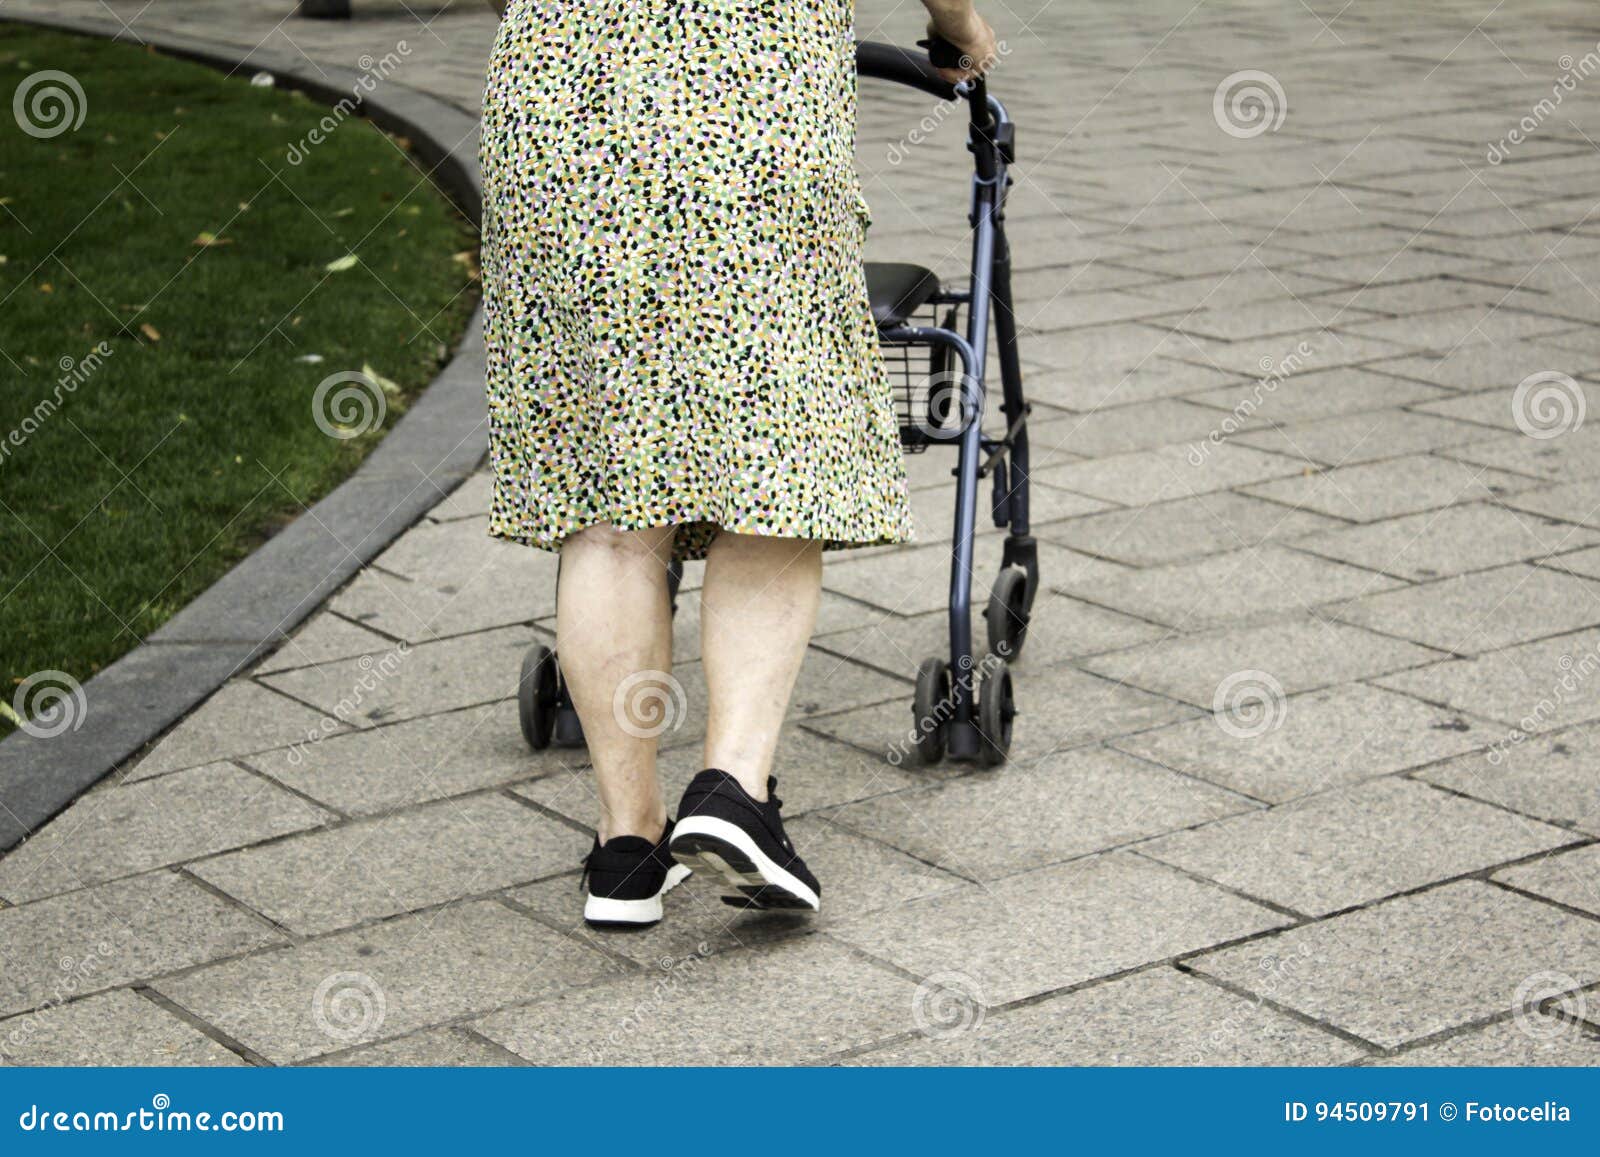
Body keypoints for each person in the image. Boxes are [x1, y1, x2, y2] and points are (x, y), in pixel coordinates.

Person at [480, 0, 998, 927]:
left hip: (556, 113)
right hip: (748, 108)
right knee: (776, 463)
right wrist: (959, 28)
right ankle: (733, 789)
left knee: (612, 497)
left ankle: (627, 848)